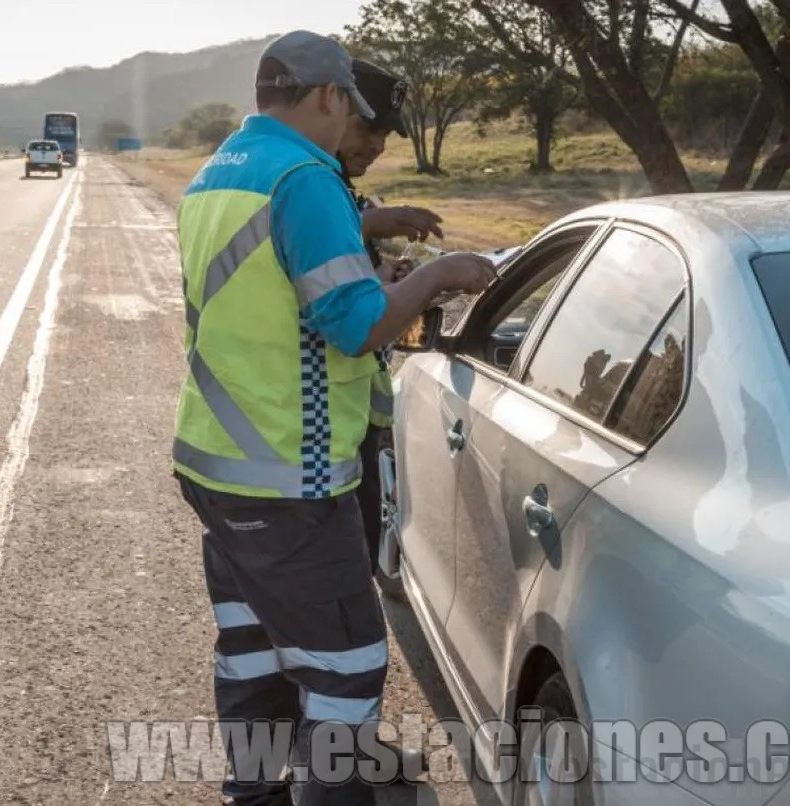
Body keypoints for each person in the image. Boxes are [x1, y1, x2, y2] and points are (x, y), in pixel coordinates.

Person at [171, 29, 496, 806]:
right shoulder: (305, 179)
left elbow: (277, 301)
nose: (352, 122)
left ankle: (253, 795)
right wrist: (444, 276)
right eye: (350, 105)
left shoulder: (221, 171)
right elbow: (357, 328)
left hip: (216, 462)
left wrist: (372, 267)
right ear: (326, 98)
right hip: (291, 475)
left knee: (252, 651)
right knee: (346, 670)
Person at [335, 59, 446, 584]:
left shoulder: (344, 194)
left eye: (385, 134)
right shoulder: (308, 190)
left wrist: (389, 274)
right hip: (317, 440)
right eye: (368, 128)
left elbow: (355, 278)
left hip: (355, 424)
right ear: (332, 110)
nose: (377, 145)